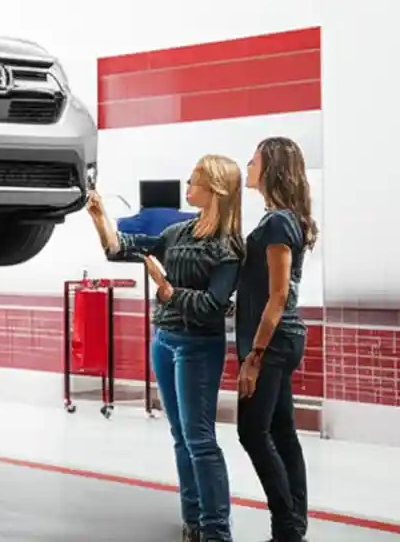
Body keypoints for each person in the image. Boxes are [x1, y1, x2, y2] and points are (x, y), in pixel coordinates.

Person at [86, 155, 244, 542]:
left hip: (197, 347)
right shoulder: (177, 232)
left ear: (215, 191)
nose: (187, 187)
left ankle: (216, 531)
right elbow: (119, 248)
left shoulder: (229, 247)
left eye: (194, 182)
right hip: (165, 341)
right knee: (180, 436)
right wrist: (98, 214)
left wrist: (168, 289)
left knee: (200, 440)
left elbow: (212, 307)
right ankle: (193, 522)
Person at [235, 137, 315, 542]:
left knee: (250, 431)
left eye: (254, 160)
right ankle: (293, 527)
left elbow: (279, 294)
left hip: (274, 340)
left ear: (270, 169)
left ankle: (286, 526)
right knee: (282, 432)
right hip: (279, 337)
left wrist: (254, 356)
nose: (247, 165)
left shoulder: (279, 222)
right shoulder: (277, 220)